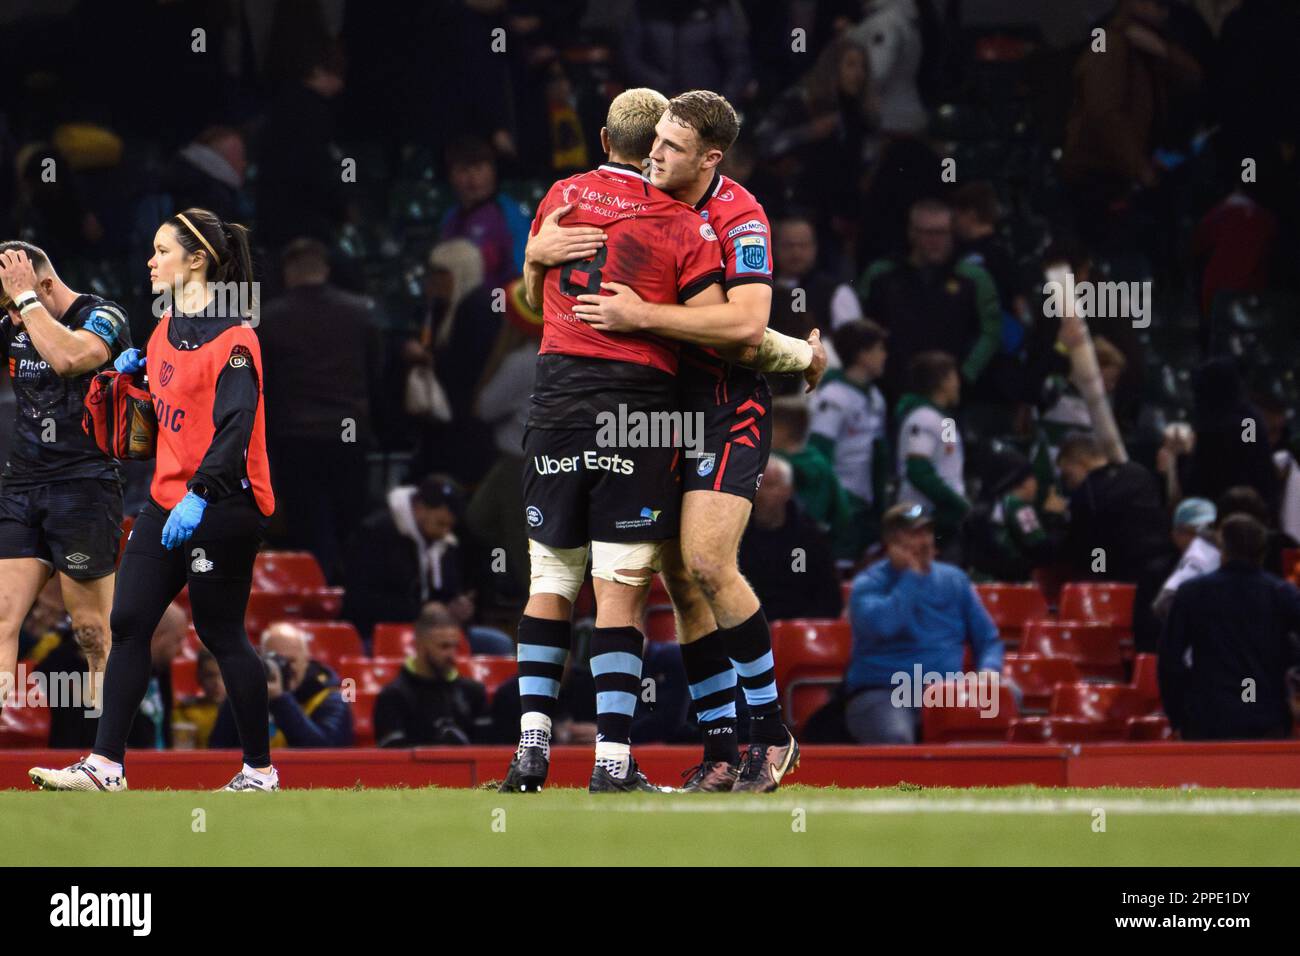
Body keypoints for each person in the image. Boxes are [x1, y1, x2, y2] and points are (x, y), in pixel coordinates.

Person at [566, 89, 829, 792]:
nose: (655, 155)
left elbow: (744, 327)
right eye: (655, 142)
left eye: (673, 148)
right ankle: (719, 751)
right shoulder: (644, 200)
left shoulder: (739, 215)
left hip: (724, 405)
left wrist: (639, 315)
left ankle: (771, 735)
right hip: (659, 408)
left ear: (711, 157)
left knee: (709, 562)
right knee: (679, 582)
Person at [499, 88, 728, 794]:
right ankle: (611, 763)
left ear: (603, 138)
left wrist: (535, 260)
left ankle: (530, 752)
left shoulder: (562, 197)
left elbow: (533, 308)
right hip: (637, 416)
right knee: (621, 590)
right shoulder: (686, 224)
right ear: (657, 143)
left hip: (556, 406)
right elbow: (719, 326)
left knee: (549, 583)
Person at [30, 207, 278, 793]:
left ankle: (259, 771)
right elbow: (171, 409)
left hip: (224, 503)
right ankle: (106, 766)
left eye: (161, 251)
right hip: (168, 500)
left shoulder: (237, 337)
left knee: (220, 634)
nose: (150, 261)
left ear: (197, 261)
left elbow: (236, 426)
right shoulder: (163, 329)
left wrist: (200, 493)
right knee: (129, 621)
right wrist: (136, 374)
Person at [0, 241, 131, 716]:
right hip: (20, 487)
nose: (13, 318)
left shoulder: (103, 316)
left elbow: (70, 359)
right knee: (1, 621)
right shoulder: (10, 322)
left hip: (84, 485)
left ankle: (108, 755)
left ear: (45, 286)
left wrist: (26, 302)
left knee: (92, 631)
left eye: (16, 304)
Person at [259, 237, 381, 583]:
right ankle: (352, 598)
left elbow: (262, 388)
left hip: (294, 437)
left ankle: (315, 597)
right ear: (325, 269)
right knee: (350, 525)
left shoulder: (270, 319)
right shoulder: (360, 312)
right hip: (348, 435)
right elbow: (375, 375)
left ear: (287, 273)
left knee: (307, 530)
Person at [845, 503, 1002, 744]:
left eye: (927, 533)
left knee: (1008, 699)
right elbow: (885, 626)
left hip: (947, 692)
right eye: (913, 534)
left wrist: (989, 670)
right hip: (884, 691)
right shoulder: (868, 585)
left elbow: (988, 639)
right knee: (895, 736)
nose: (924, 542)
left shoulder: (954, 580)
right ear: (892, 543)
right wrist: (911, 578)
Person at [1159, 514, 1299, 741]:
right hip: (1267, 717)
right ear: (1263, 551)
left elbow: (1169, 661)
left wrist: (1177, 716)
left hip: (1207, 718)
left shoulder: (1191, 593)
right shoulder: (1282, 594)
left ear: (1222, 549)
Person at [855, 198, 1002, 401]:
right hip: (889, 390)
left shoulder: (973, 278)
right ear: (912, 233)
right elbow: (860, 328)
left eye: (942, 233)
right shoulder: (881, 275)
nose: (935, 240)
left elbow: (990, 333)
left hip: (953, 393)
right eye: (927, 233)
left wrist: (964, 375)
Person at [344, 474, 498, 649]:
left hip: (436, 633)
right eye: (440, 524)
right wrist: (421, 612)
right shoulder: (374, 534)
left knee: (497, 644)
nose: (445, 532)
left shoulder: (445, 542)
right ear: (419, 508)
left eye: (450, 526)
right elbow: (361, 601)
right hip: (379, 633)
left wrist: (458, 607)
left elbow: (447, 594)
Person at [1057, 433, 1175, 652]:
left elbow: (1087, 547)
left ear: (1079, 462)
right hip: (1165, 570)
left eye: (1068, 474)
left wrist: (1099, 576)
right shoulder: (1139, 473)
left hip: (1126, 582)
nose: (1068, 482)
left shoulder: (1087, 492)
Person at [809, 319, 890, 557]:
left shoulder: (875, 397)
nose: (885, 355)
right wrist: (831, 504)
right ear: (862, 355)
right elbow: (819, 453)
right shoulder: (833, 397)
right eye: (880, 349)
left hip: (867, 503)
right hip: (843, 502)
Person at [211, 622, 352, 749]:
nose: (285, 668)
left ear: (306, 661)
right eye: (277, 660)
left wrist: (280, 700)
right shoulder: (242, 698)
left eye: (291, 661)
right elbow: (219, 750)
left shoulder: (331, 699)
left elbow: (325, 752)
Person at [737, 458, 842, 621]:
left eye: (770, 485)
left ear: (788, 491)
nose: (761, 493)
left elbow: (828, 598)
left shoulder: (810, 537)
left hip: (796, 630)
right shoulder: (734, 536)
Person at [374, 602, 488, 747]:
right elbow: (394, 761)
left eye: (455, 646)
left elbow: (486, 750)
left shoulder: (473, 692)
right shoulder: (393, 697)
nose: (452, 654)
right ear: (419, 645)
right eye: (444, 646)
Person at [437, 136, 532, 292]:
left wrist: (500, 309)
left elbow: (521, 275)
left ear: (493, 171)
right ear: (451, 176)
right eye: (463, 170)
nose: (473, 178)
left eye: (479, 168)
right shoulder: (450, 218)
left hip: (498, 302)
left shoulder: (509, 213)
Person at [894, 352, 969, 549]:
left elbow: (947, 460)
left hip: (944, 518)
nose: (958, 384)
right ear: (942, 382)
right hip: (925, 518)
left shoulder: (943, 419)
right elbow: (918, 470)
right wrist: (957, 503)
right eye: (954, 377)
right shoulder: (923, 418)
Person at [1152, 497, 1219, 620]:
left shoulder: (1224, 562)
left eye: (1208, 531)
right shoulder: (1157, 572)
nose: (1202, 539)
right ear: (1176, 534)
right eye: (1194, 533)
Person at [174, 649, 226, 749]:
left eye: (223, 675)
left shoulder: (242, 713)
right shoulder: (185, 711)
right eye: (210, 676)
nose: (217, 683)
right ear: (199, 678)